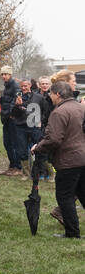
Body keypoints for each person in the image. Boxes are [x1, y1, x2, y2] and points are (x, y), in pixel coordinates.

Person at [29, 80, 85, 238]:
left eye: (51, 93)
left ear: (58, 94)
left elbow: (54, 139)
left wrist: (38, 147)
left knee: (64, 197)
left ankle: (72, 233)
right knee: (82, 194)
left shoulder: (59, 112)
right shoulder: (80, 108)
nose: (50, 96)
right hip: (82, 158)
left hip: (68, 161)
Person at [0, 65, 24, 175]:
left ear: (10, 74)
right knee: (7, 143)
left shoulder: (15, 86)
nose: (4, 76)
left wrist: (11, 114)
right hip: (6, 118)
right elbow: (6, 101)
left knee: (14, 143)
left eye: (6, 74)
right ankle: (12, 165)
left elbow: (16, 101)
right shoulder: (7, 86)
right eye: (2, 74)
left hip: (12, 119)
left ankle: (17, 167)